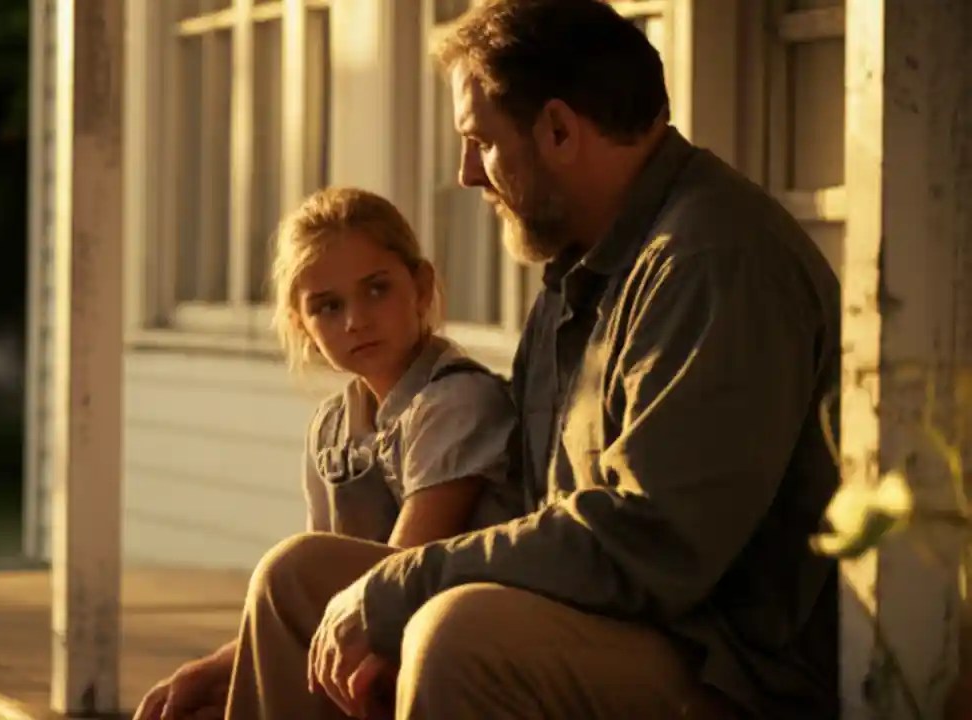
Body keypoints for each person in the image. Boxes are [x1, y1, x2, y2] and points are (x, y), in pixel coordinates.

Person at [223, 1, 842, 718]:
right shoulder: (579, 273)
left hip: (721, 662)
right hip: (603, 618)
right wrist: (241, 658)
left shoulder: (711, 262)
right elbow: (528, 508)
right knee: (297, 580)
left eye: (479, 141)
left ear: (557, 129)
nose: (465, 174)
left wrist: (408, 586)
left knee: (454, 634)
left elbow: (651, 543)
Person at [134, 187, 525, 720]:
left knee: (291, 567)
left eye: (377, 290)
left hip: (449, 632)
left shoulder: (456, 400)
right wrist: (218, 665)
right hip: (363, 638)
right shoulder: (333, 426)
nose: (355, 321)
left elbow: (400, 571)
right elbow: (314, 595)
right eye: (328, 306)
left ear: (422, 286)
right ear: (302, 324)